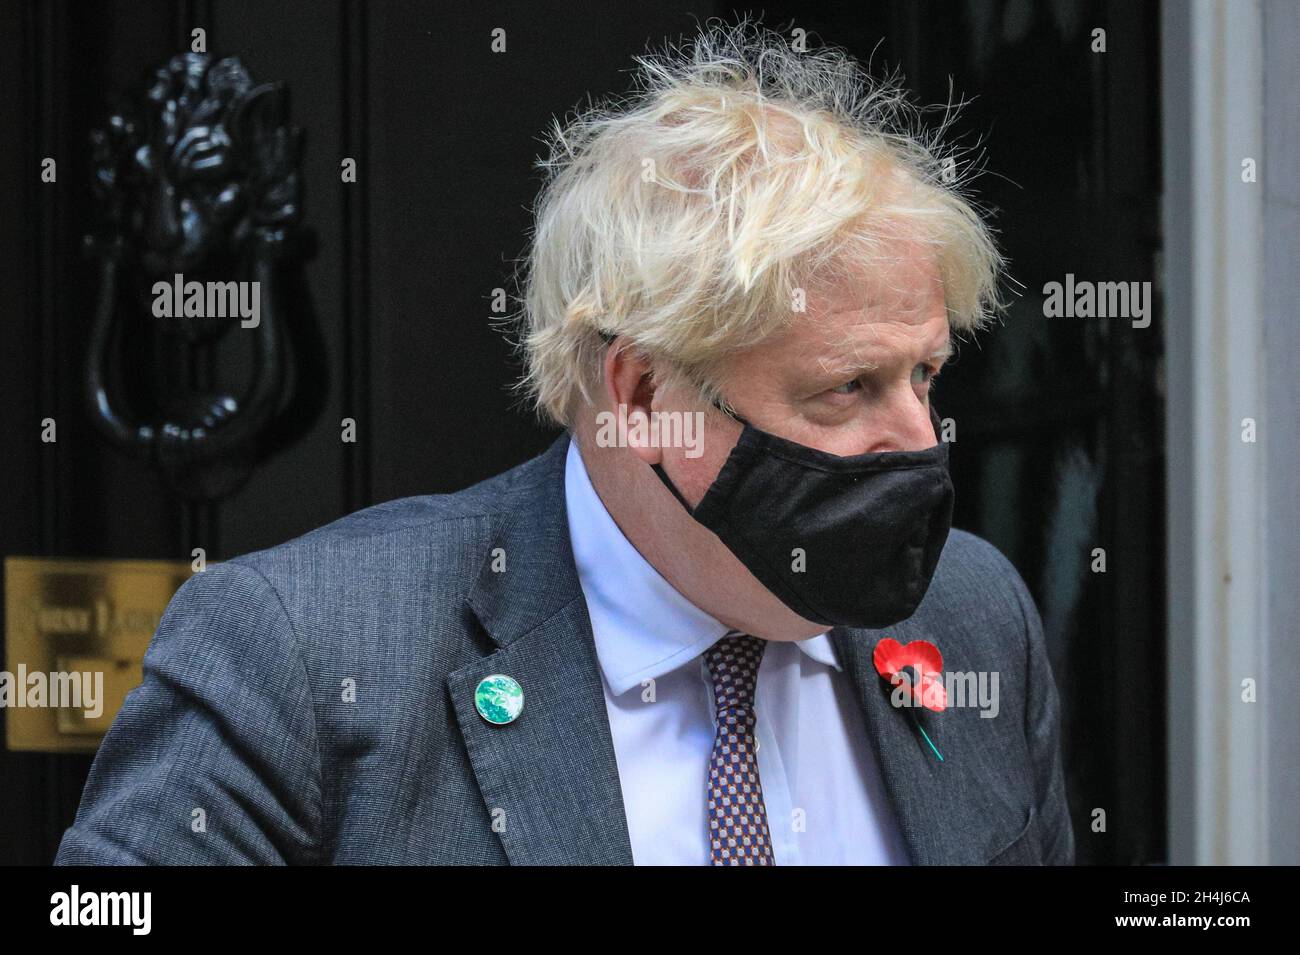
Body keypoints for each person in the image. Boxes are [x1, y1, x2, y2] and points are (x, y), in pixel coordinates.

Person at [55, 21, 1073, 866]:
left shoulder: (971, 616)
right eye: (846, 387)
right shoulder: (302, 655)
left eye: (924, 375)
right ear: (637, 392)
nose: (918, 440)